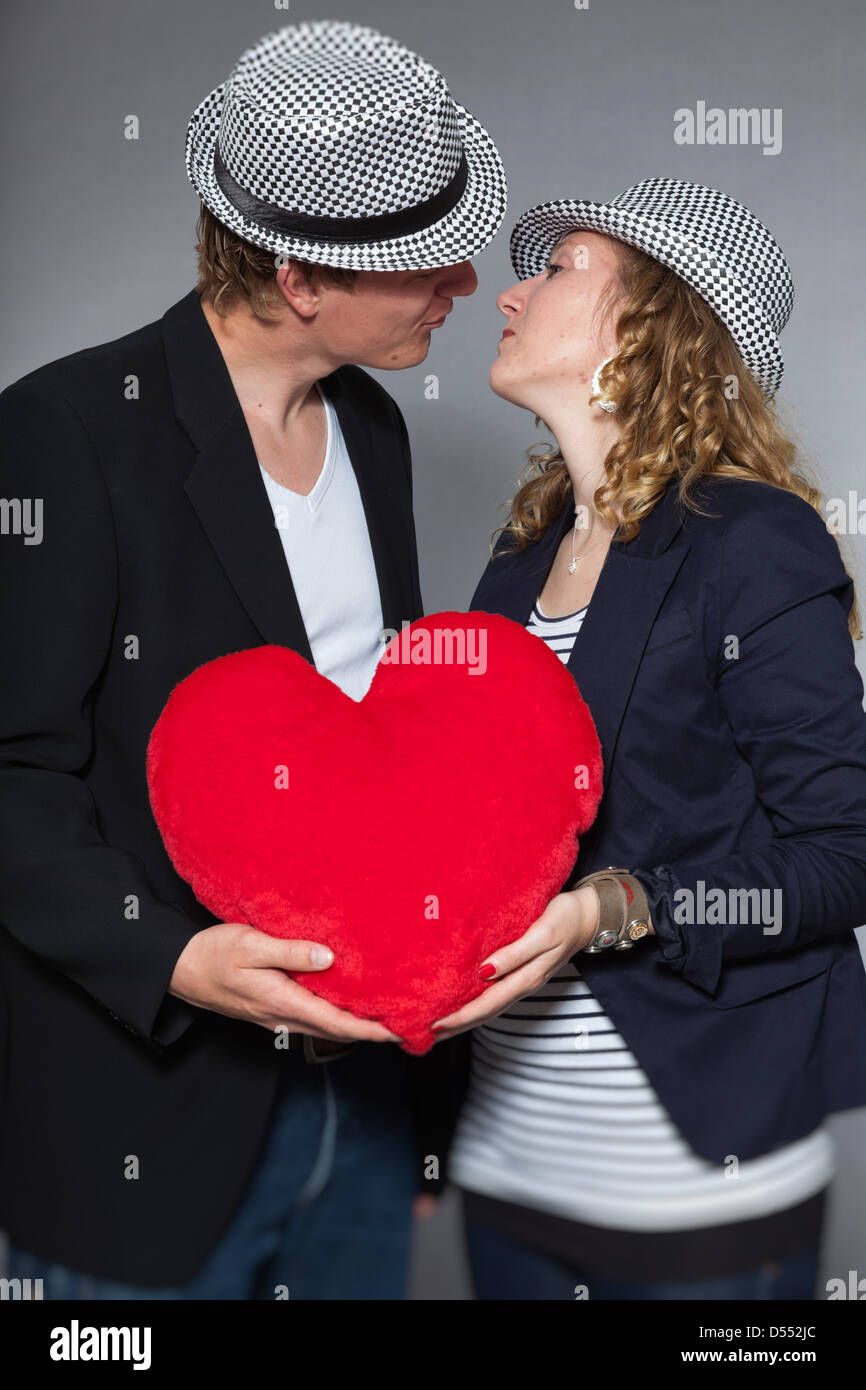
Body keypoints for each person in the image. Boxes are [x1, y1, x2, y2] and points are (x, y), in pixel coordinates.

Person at [0, 20, 505, 1299]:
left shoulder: (372, 428)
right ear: (298, 276)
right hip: (151, 1117)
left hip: (368, 1102)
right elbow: (11, 772)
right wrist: (172, 961)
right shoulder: (62, 432)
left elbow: (377, 738)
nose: (459, 280)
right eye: (417, 262)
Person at [431, 178, 866, 1300]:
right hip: (508, 1172)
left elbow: (837, 859)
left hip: (695, 1198)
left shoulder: (753, 544)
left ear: (652, 324)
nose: (507, 292)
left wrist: (612, 907)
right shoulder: (517, 561)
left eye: (559, 266)